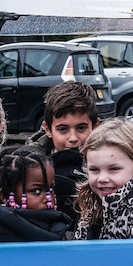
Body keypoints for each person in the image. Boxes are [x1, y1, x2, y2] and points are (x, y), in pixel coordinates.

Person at [0, 144, 71, 243]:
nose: (48, 198)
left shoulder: (60, 226)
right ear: (5, 195)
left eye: (51, 189)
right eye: (36, 191)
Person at [28, 81, 101, 219]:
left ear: (95, 126)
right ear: (48, 129)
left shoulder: (109, 166)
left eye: (81, 128)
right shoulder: (29, 165)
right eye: (63, 129)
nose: (73, 138)